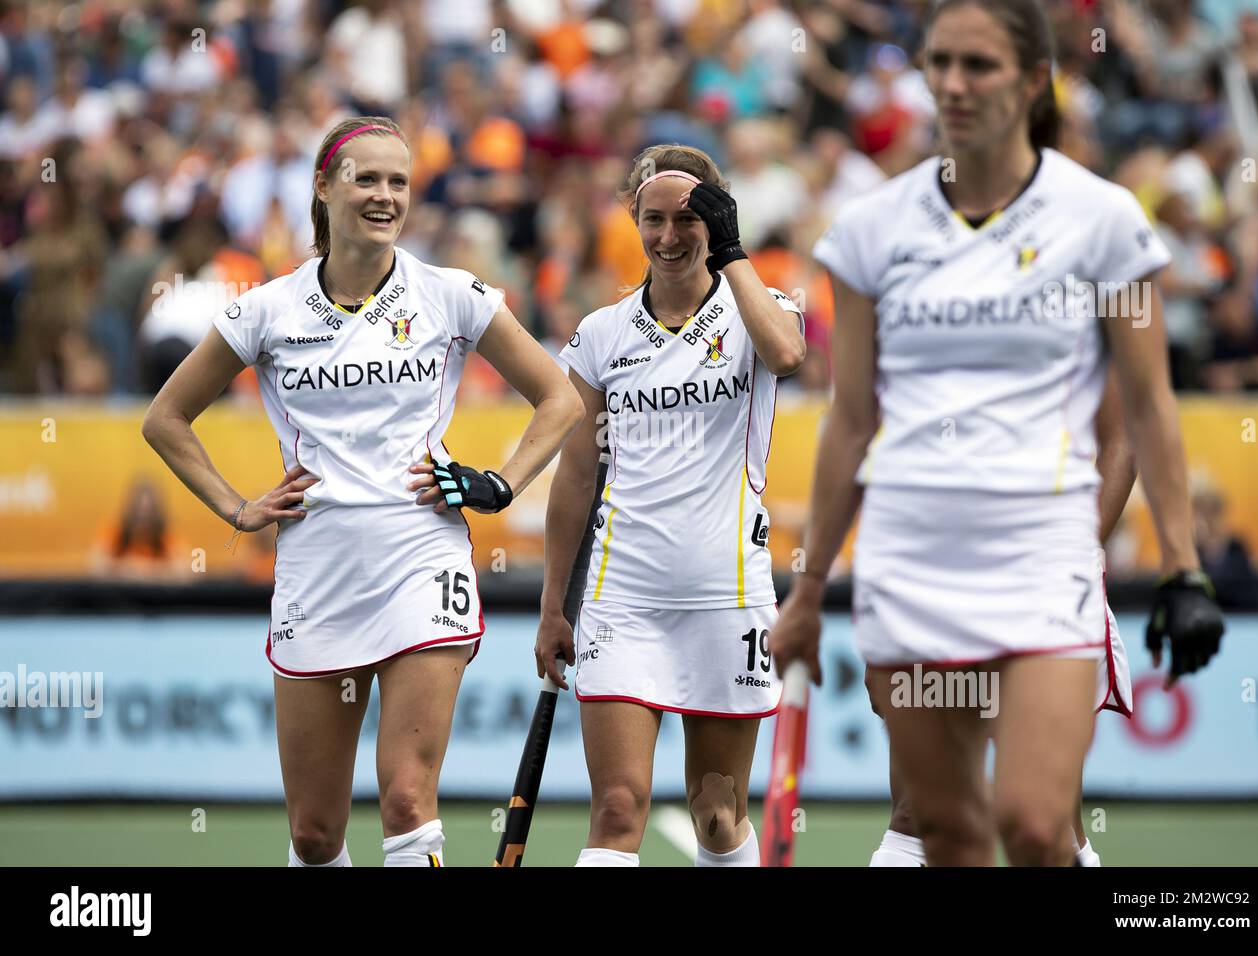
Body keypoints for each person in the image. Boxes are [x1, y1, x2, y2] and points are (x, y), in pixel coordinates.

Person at [770, 0, 1224, 866]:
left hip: (1043, 552)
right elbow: (853, 420)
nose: (952, 84)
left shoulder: (1106, 222)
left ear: (1029, 80)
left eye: (977, 65)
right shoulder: (870, 231)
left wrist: (1181, 564)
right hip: (910, 559)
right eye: (938, 63)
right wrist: (811, 584)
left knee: (1033, 824)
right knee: (942, 835)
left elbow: (1147, 407)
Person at [142, 117, 583, 867]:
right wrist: (237, 508)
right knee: (315, 836)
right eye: (366, 178)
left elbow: (561, 399)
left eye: (399, 182)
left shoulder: (451, 294)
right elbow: (166, 418)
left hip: (422, 558)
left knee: (407, 799)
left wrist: (500, 483)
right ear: (323, 186)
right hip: (318, 568)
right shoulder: (266, 309)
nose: (385, 196)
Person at [536, 144, 805, 867]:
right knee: (618, 806)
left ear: (715, 220)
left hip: (728, 592)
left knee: (718, 815)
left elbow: (788, 355)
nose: (669, 237)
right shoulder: (601, 334)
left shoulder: (761, 309)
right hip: (622, 596)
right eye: (652, 219)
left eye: (689, 219)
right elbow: (575, 475)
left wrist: (734, 249)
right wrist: (554, 606)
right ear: (633, 220)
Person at [868, 370, 1135, 868]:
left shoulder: (1079, 299)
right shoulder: (921, 305)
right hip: (938, 579)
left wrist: (1071, 558)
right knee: (912, 813)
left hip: (1046, 588)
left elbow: (1124, 436)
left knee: (1047, 821)